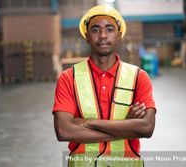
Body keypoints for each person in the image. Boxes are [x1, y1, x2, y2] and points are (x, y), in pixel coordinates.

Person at [53, 5, 156, 167]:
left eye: (109, 29)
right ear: (86, 36)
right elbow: (64, 131)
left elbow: (147, 127)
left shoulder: (138, 77)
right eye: (95, 30)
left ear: (119, 35)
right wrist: (126, 128)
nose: (102, 35)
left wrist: (90, 122)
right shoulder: (68, 78)